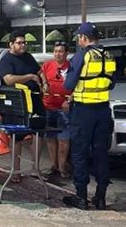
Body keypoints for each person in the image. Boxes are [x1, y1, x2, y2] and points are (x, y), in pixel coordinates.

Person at [62, 22, 116, 211]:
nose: (78, 41)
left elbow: (68, 84)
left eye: (79, 38)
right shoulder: (109, 55)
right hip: (103, 110)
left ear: (84, 38)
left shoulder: (81, 56)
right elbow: (111, 84)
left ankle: (81, 198)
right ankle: (100, 198)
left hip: (83, 111)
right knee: (101, 152)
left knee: (79, 153)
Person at [0, 30, 45, 183]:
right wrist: (30, 77)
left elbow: (39, 71)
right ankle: (15, 170)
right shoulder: (6, 60)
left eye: (24, 42)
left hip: (35, 101)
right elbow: (9, 80)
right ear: (11, 44)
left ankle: (35, 168)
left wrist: (44, 82)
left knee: (38, 133)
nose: (23, 45)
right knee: (16, 137)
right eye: (19, 42)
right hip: (18, 104)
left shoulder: (28, 57)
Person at [40, 41, 72, 178]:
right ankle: (54, 165)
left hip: (64, 109)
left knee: (64, 139)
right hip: (48, 107)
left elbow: (77, 85)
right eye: (56, 51)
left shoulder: (72, 67)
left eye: (60, 51)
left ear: (66, 53)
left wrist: (70, 99)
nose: (58, 54)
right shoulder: (47, 65)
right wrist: (44, 83)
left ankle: (62, 167)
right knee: (51, 138)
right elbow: (40, 75)